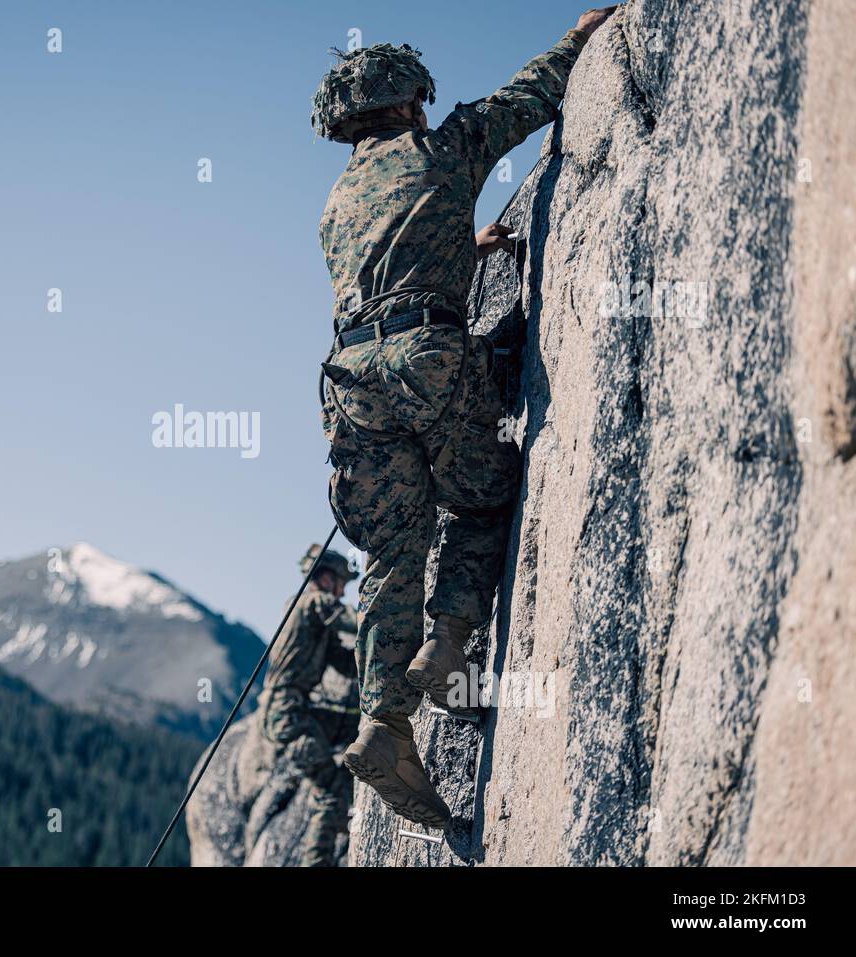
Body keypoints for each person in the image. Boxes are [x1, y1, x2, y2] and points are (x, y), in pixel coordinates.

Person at [311, 7, 619, 827]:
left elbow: (390, 262)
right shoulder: (440, 148)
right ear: (410, 104)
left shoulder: (338, 205)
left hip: (350, 381)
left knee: (391, 551)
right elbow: (532, 96)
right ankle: (449, 648)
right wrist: (583, 34)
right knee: (483, 495)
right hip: (426, 356)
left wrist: (464, 247)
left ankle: (383, 722)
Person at [254, 545, 359, 866]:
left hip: (293, 712)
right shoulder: (313, 603)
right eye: (341, 582)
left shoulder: (309, 619)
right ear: (326, 579)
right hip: (289, 716)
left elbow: (344, 663)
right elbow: (354, 622)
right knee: (329, 790)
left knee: (351, 724)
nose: (343, 591)